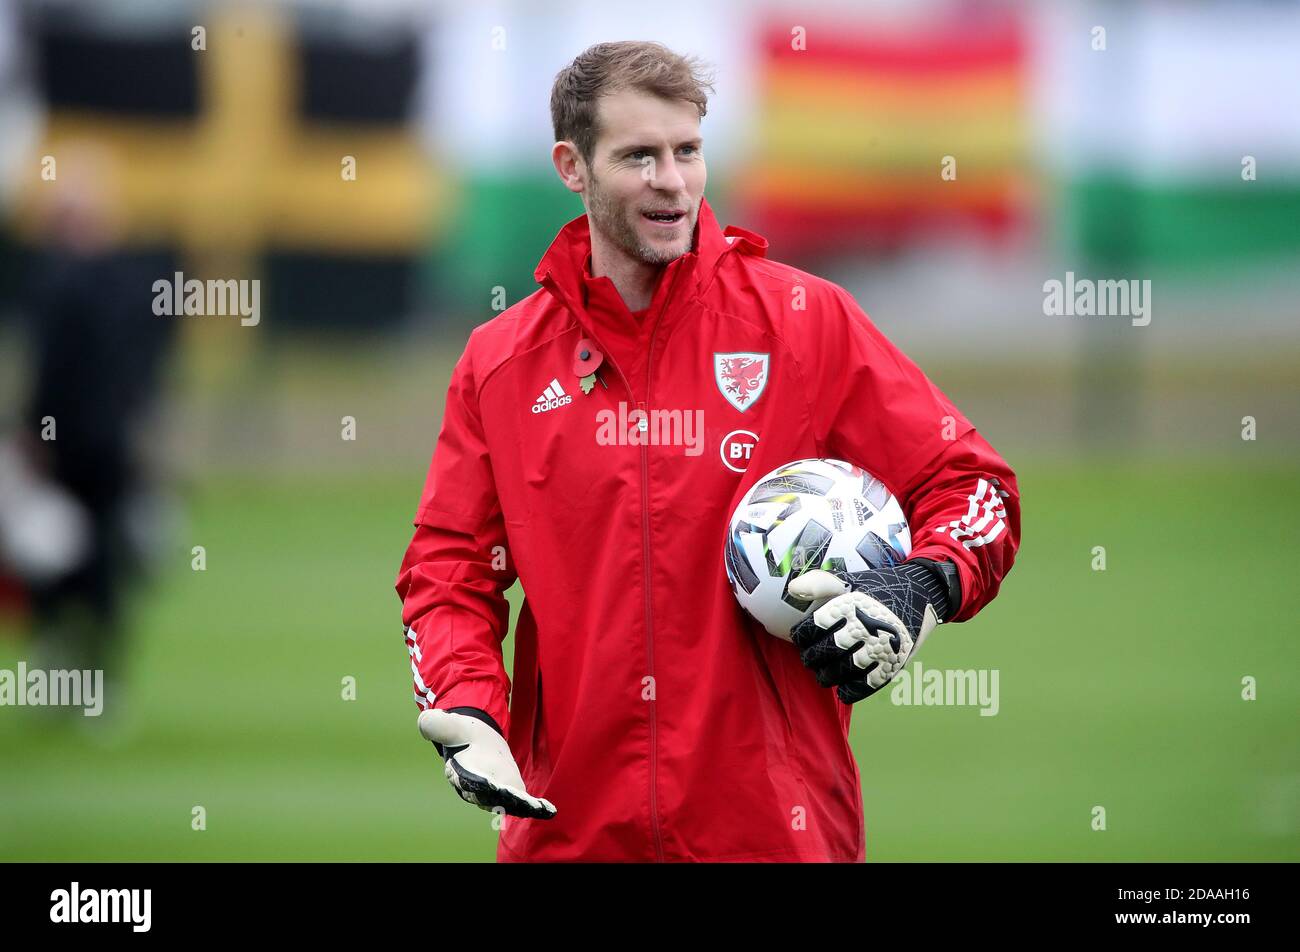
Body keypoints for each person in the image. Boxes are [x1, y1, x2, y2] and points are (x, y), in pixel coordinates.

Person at [395, 40, 1020, 862]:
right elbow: (449, 565)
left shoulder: (803, 321)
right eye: (638, 156)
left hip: (771, 836)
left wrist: (917, 586)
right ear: (571, 167)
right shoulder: (502, 363)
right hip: (570, 836)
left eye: (687, 151)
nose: (672, 180)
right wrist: (469, 708)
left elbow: (972, 485)